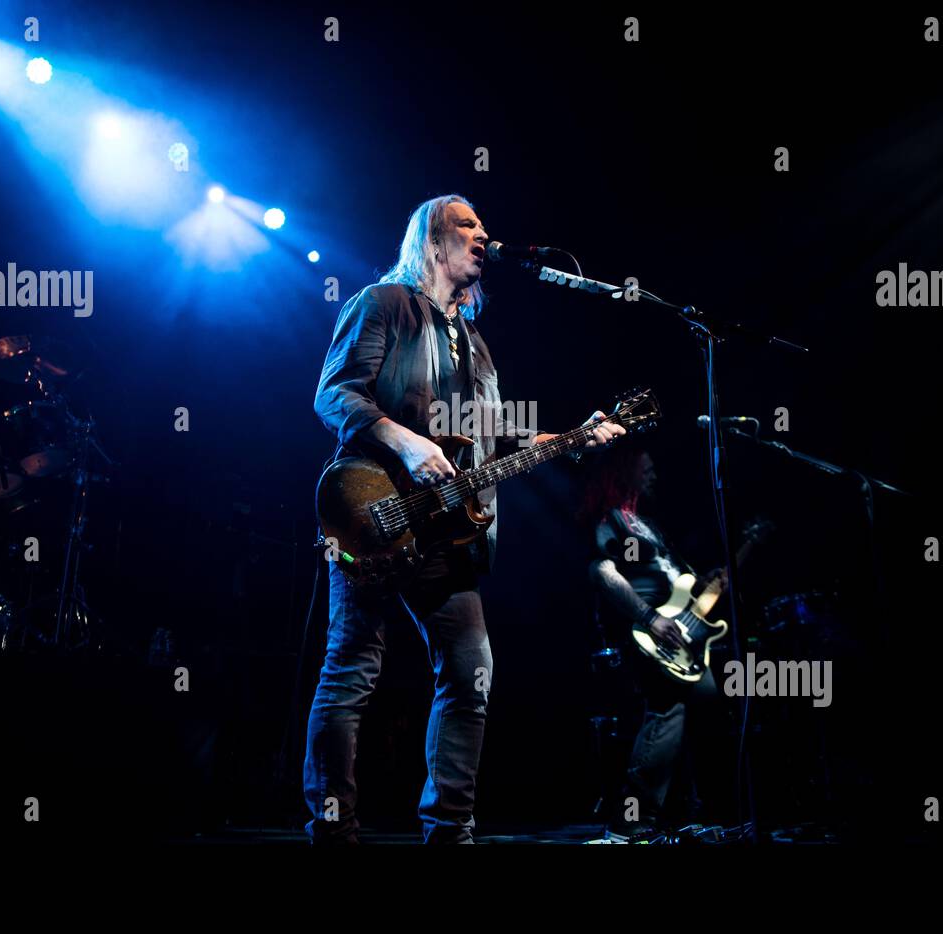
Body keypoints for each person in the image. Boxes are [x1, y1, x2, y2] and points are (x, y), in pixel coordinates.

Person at [305, 194, 623, 843]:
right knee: (352, 669)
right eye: (467, 225)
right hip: (373, 510)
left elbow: (493, 438)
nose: (483, 235)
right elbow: (334, 393)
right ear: (433, 240)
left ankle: (451, 830)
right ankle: (333, 827)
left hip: (448, 533)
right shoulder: (382, 304)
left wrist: (573, 440)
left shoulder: (475, 345)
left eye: (482, 226)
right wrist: (405, 442)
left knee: (470, 673)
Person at [582, 444, 725, 842]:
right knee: (669, 706)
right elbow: (602, 571)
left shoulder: (649, 525)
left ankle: (685, 814)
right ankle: (631, 820)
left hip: (678, 631)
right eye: (646, 470)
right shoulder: (610, 519)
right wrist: (648, 616)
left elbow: (678, 581)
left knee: (702, 703)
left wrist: (708, 585)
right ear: (624, 471)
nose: (654, 476)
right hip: (645, 630)